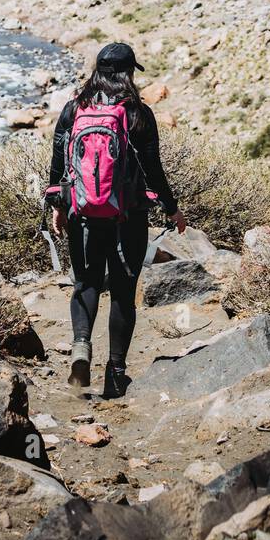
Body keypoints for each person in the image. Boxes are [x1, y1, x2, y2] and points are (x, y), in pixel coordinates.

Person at [45, 42, 186, 399]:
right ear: (128, 73)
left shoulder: (74, 109)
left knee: (86, 283)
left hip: (83, 216)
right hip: (129, 216)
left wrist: (58, 207)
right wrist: (172, 208)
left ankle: (80, 347)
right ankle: (116, 373)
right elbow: (153, 169)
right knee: (123, 293)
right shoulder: (138, 114)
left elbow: (59, 165)